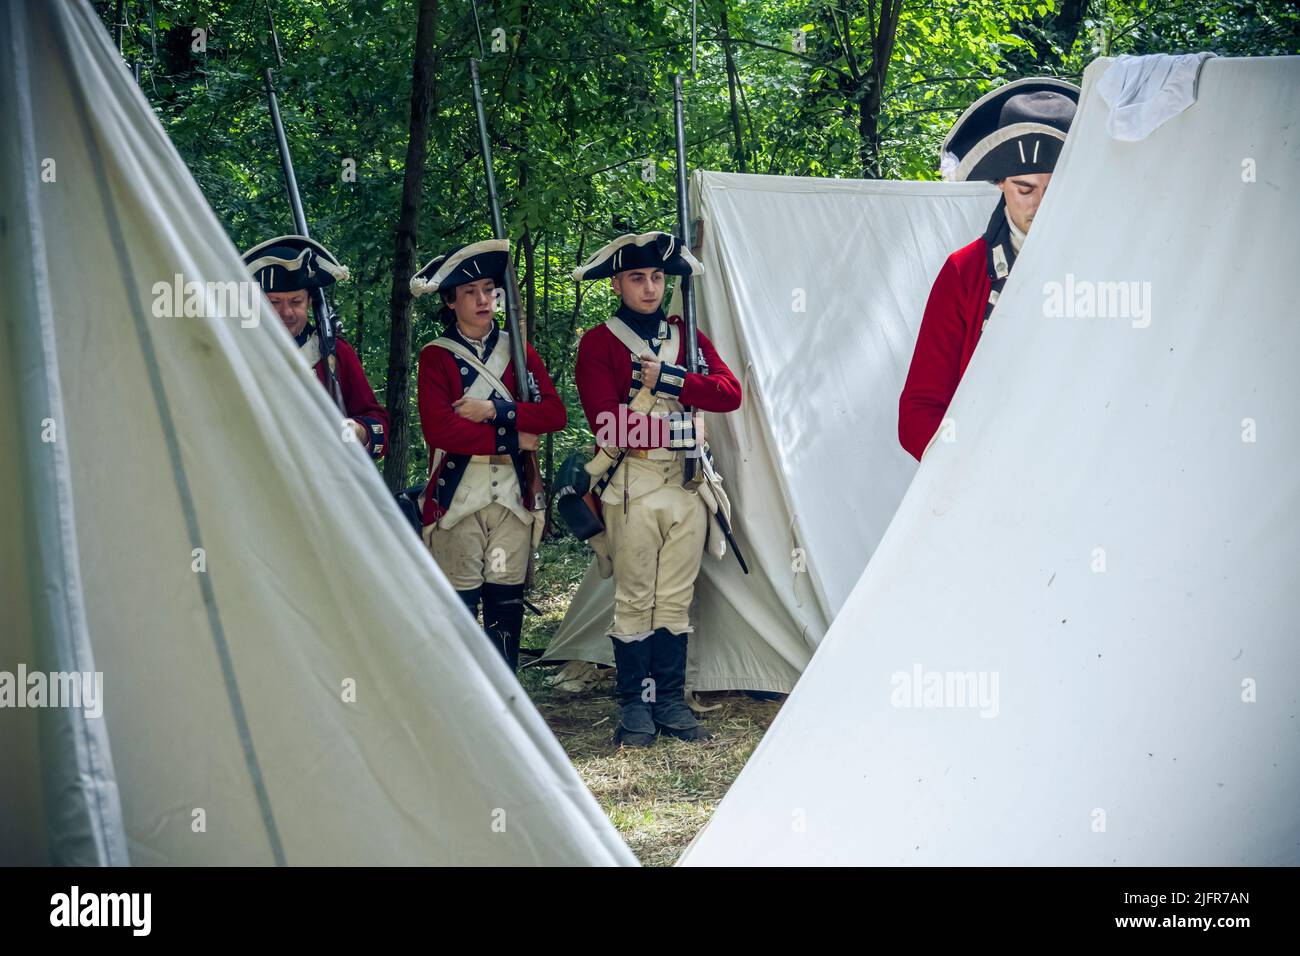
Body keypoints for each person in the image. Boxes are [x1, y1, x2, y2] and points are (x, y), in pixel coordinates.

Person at [573, 231, 742, 747]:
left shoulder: (684, 336)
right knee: (634, 599)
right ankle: (636, 707)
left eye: (657, 278)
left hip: (687, 485)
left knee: (674, 599)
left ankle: (669, 702)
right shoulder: (599, 343)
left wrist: (671, 381)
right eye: (637, 278)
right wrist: (681, 428)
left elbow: (728, 393)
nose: (650, 288)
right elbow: (607, 426)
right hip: (633, 485)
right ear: (618, 284)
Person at [898, 78, 1080, 460]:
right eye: (1025, 189)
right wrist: (976, 467)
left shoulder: (1107, 266)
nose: (1041, 205)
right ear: (1000, 182)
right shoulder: (964, 272)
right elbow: (919, 412)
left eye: (1055, 189)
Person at [411, 239, 566, 670]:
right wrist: (513, 438)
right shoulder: (437, 357)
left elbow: (554, 413)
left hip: (512, 498)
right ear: (450, 300)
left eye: (489, 289)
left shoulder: (517, 350)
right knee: (460, 605)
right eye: (470, 292)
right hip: (458, 497)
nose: (483, 300)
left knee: (505, 603)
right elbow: (441, 429)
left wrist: (493, 410)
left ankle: (507, 698)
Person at [242, 235, 388, 458]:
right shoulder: (238, 351)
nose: (287, 313)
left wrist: (357, 431)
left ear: (309, 301)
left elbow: (377, 423)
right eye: (275, 303)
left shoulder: (334, 351)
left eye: (296, 301)